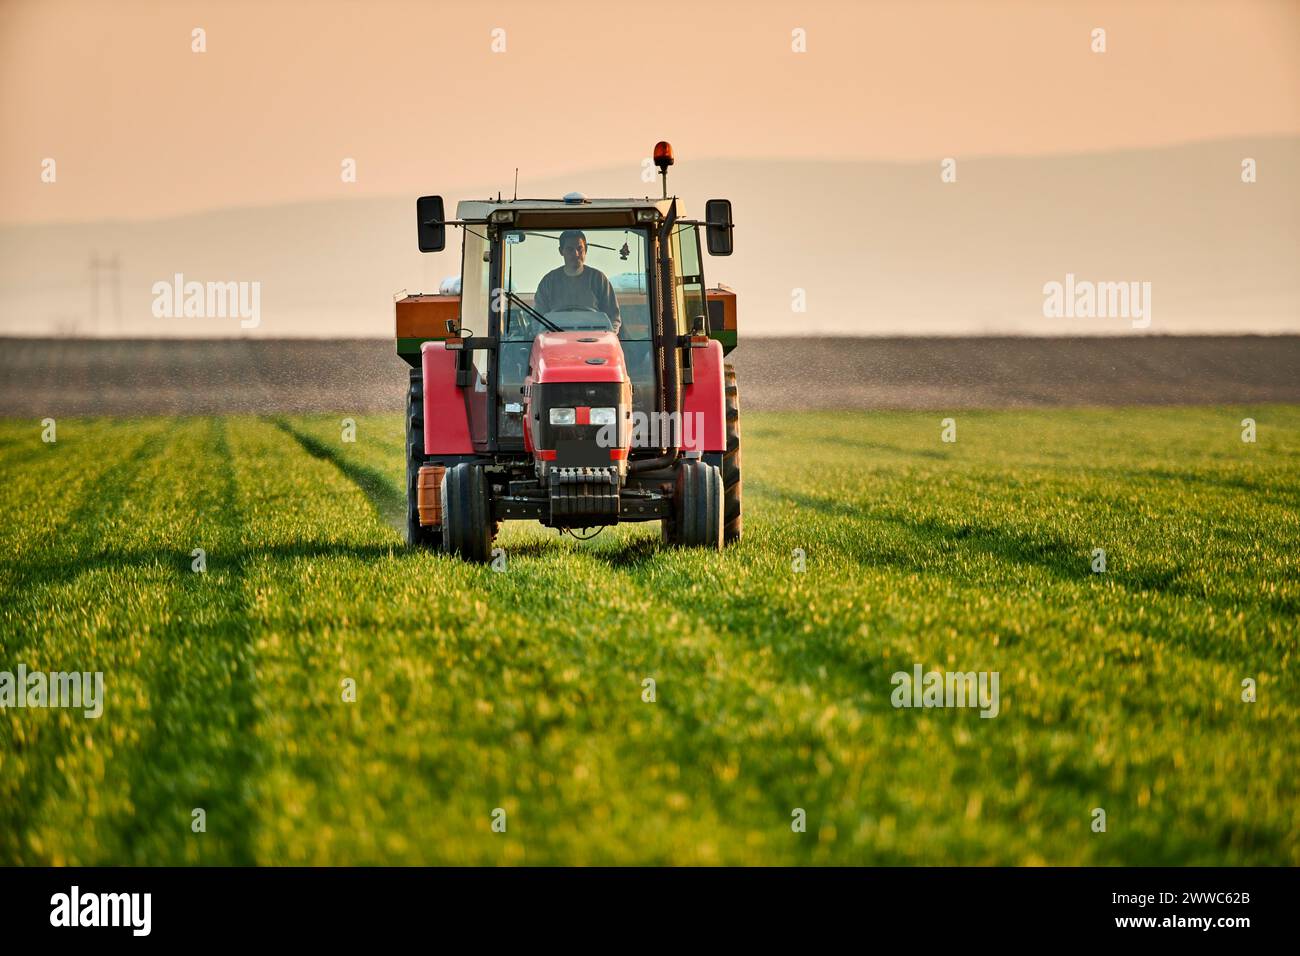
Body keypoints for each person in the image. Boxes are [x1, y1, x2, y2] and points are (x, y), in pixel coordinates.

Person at [533, 229, 621, 333]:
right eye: (570, 249)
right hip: (556, 342)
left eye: (580, 249)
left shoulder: (598, 279)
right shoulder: (548, 281)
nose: (576, 254)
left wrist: (609, 337)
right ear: (561, 251)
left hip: (593, 342)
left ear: (586, 249)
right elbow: (537, 320)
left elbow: (613, 318)